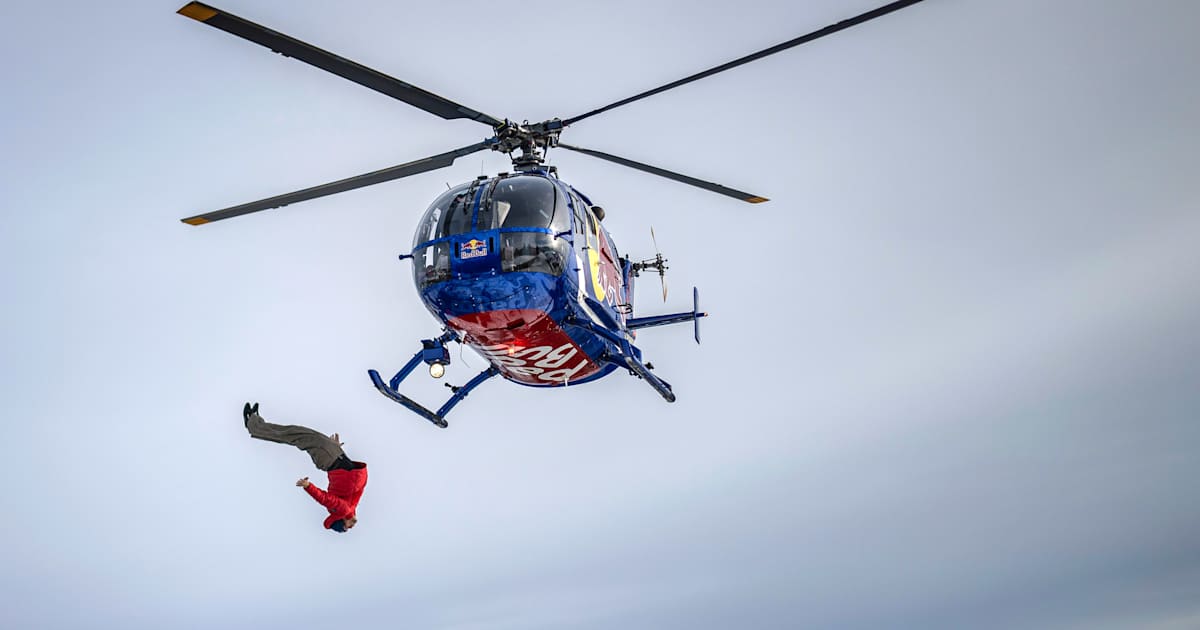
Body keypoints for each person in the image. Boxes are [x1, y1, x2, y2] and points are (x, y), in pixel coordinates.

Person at [242, 402, 368, 533]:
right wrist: (336, 448)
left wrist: (308, 486)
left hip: (330, 458)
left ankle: (254, 425)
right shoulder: (350, 509)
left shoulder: (340, 510)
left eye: (346, 527)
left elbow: (325, 499)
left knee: (295, 434)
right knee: (296, 434)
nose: (351, 526)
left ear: (340, 519)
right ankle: (256, 422)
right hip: (336, 456)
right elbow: (352, 489)